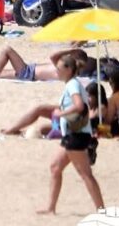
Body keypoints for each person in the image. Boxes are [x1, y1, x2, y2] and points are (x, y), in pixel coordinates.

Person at [41, 52, 105, 215]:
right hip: (72, 135)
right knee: (55, 167)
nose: (57, 71)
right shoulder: (72, 83)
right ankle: (51, 208)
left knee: (85, 174)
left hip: (76, 135)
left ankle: (101, 210)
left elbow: (79, 106)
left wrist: (60, 113)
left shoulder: (73, 85)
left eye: (60, 68)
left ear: (69, 69)